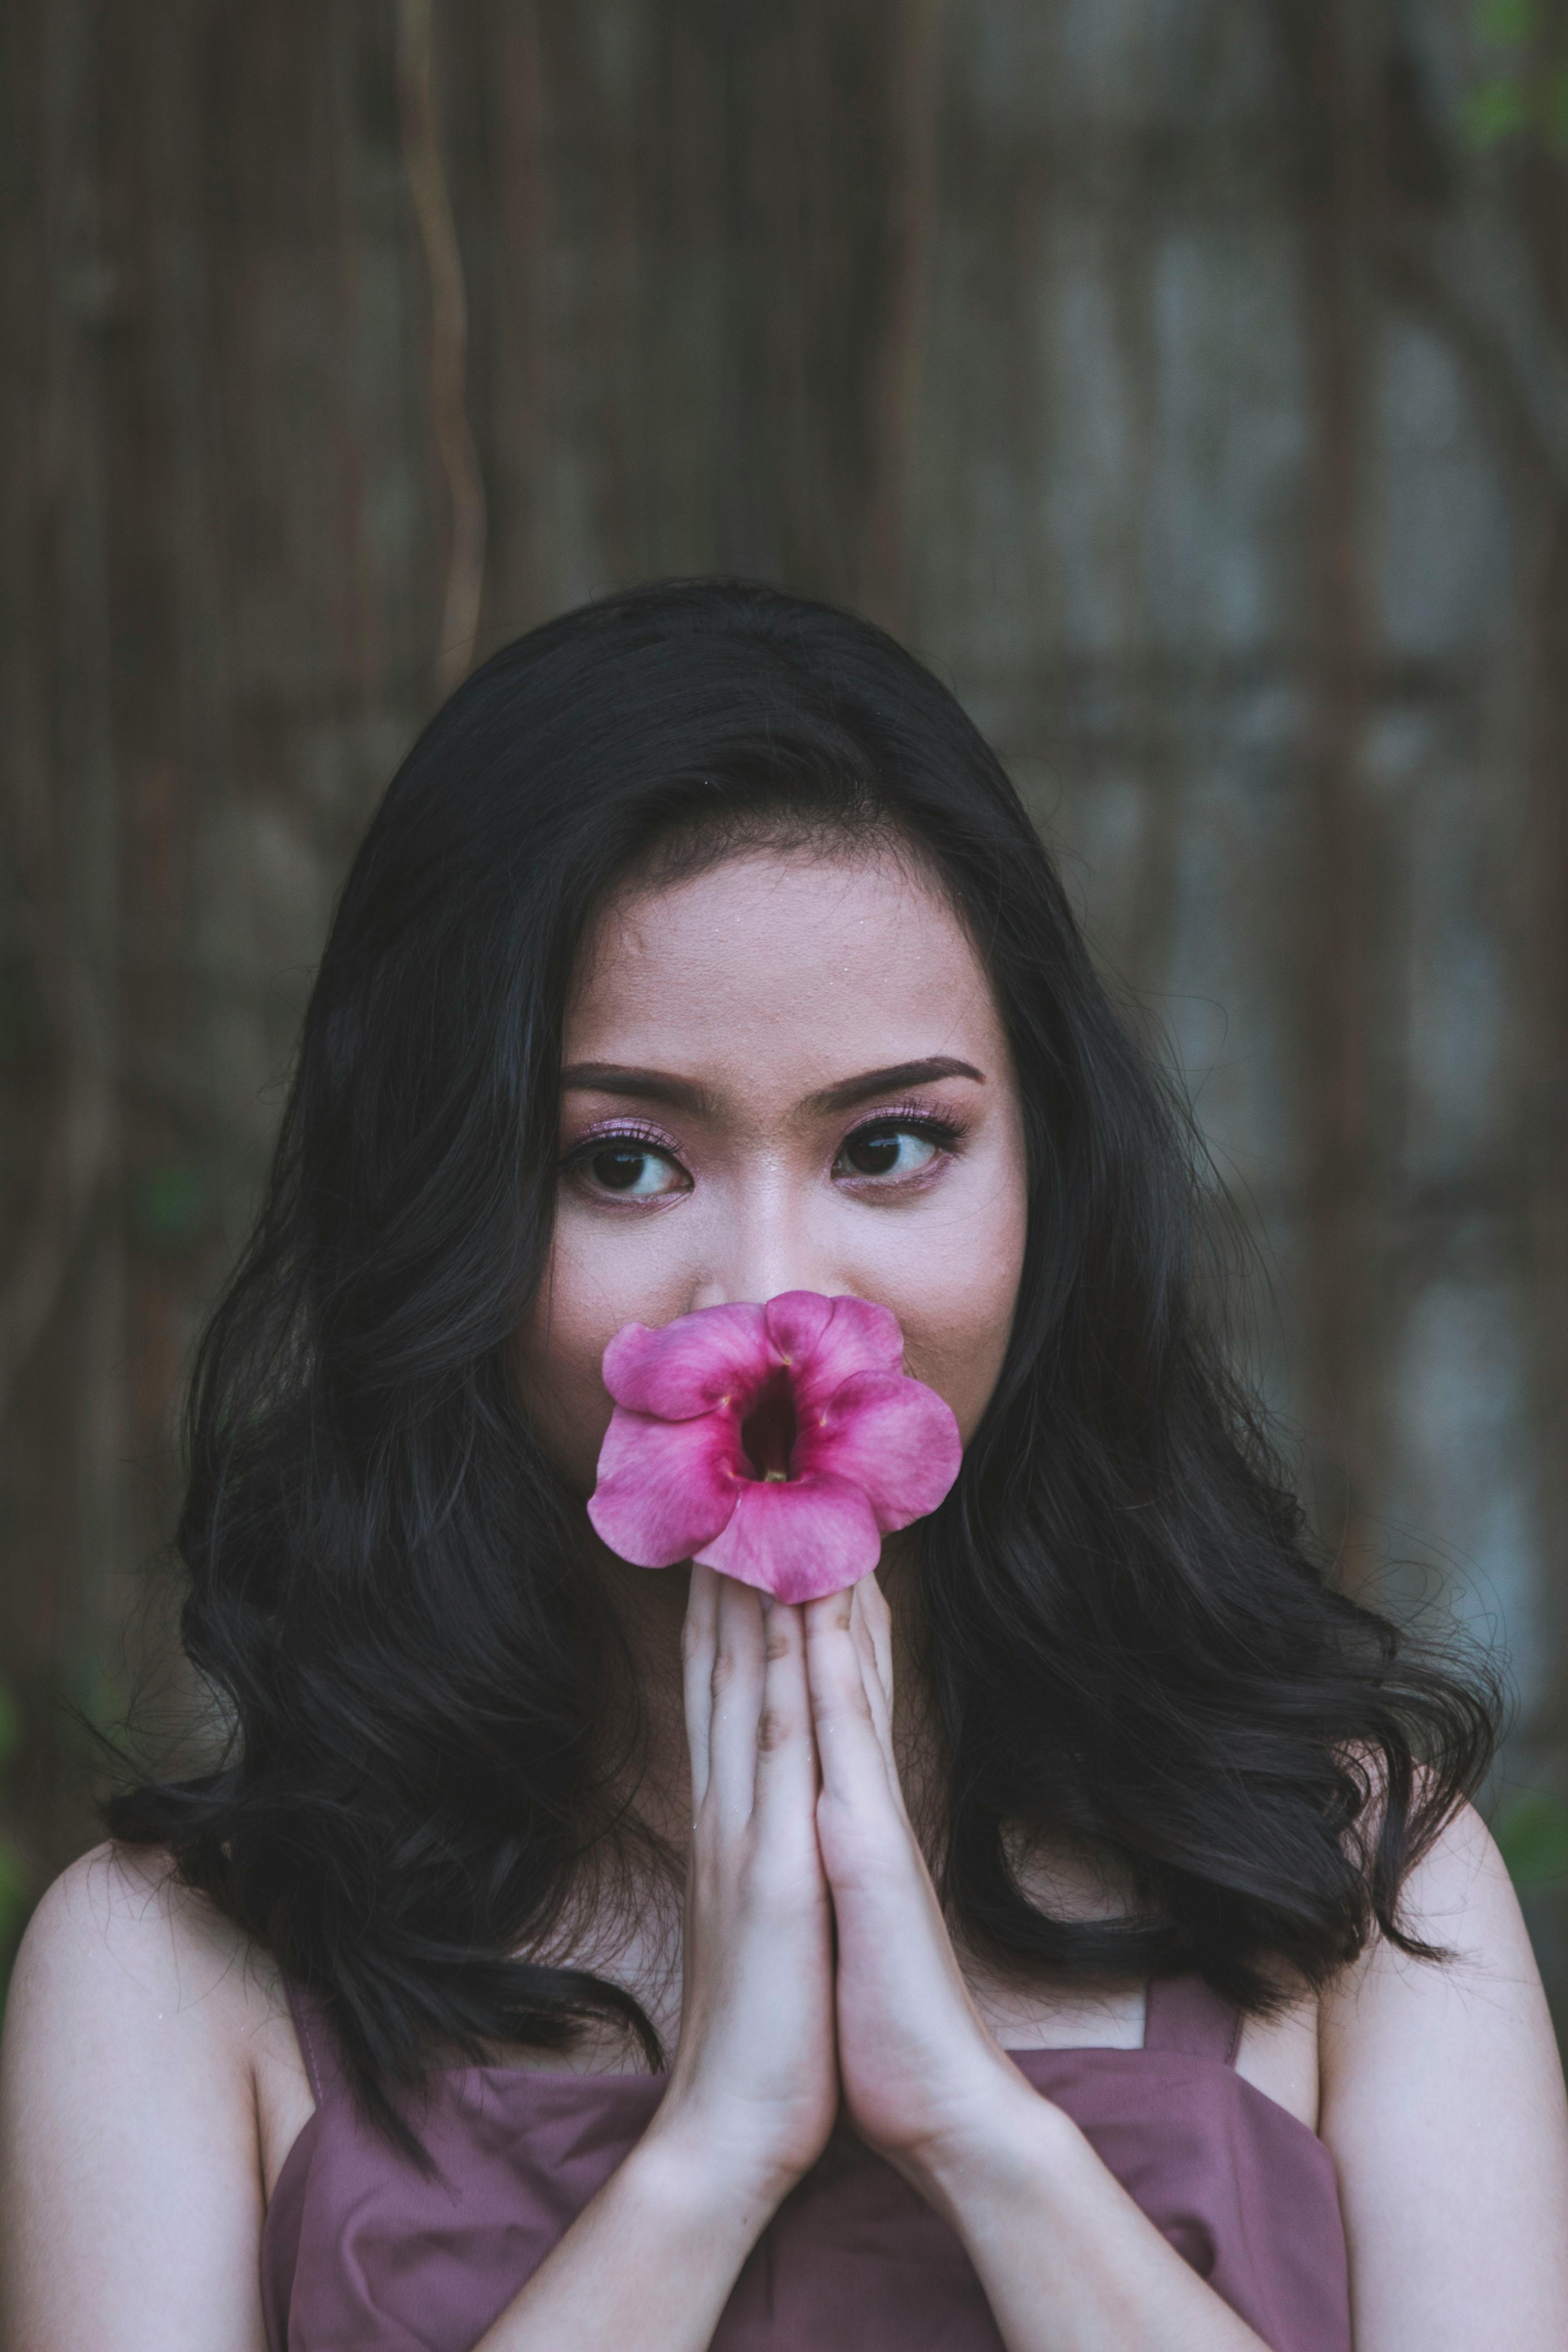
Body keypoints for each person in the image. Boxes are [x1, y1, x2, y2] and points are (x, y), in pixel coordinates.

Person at [2, 580, 1565, 2352]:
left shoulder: (1367, 1883)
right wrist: (708, 2166)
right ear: (440, 1209)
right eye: (626, 1163)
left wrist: (983, 2141)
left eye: (891, 1145)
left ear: (1051, 1190)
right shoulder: (169, 1976)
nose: (767, 1298)